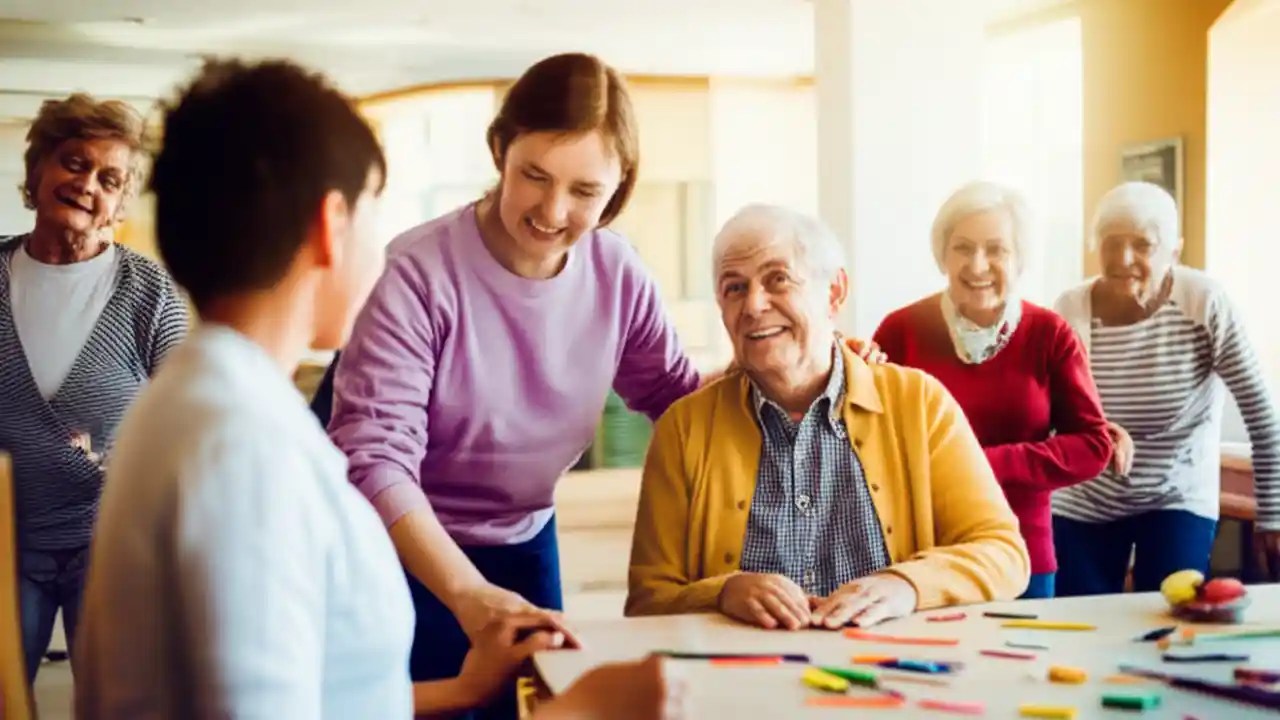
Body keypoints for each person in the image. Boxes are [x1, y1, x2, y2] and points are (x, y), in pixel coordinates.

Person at [74, 58, 686, 720]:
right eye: (374, 207)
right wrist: (582, 713)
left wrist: (464, 692)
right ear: (331, 226)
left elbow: (322, 700)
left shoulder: (206, 404)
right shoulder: (244, 451)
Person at [324, 52, 872, 715]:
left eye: (585, 192)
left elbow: (675, 397)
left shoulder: (617, 272)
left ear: (617, 191)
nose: (552, 210)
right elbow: (376, 459)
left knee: (537, 706)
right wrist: (467, 594)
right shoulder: (417, 273)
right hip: (401, 544)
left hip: (525, 536)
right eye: (534, 176)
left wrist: (804, 364)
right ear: (500, 151)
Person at [625, 204, 1030, 629]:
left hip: (893, 663)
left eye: (778, 279)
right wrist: (722, 592)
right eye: (735, 288)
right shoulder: (684, 428)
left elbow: (1003, 553)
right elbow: (648, 598)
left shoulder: (920, 404)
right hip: (742, 667)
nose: (754, 305)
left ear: (834, 292)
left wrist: (906, 585)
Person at [0, 92, 188, 683]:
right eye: (74, 163)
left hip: (111, 545)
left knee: (118, 701)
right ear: (38, 169)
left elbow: (187, 421)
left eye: (110, 179)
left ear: (120, 203)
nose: (87, 185)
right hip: (4, 541)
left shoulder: (150, 291)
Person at [871, 181, 1111, 599]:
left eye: (996, 249)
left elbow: (1093, 445)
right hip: (921, 559)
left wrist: (979, 463)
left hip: (1023, 550)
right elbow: (866, 436)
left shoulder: (1050, 333)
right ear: (942, 254)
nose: (978, 266)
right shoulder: (900, 330)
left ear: (1020, 258)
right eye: (963, 248)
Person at [1051, 181, 1280, 596]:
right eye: (1111, 243)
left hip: (1177, 492)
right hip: (1087, 497)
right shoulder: (1070, 309)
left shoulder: (1205, 303)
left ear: (1174, 251)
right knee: (1080, 613)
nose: (1123, 259)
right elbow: (1053, 414)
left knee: (1171, 611)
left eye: (1143, 244)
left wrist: (1273, 514)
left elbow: (1261, 415)